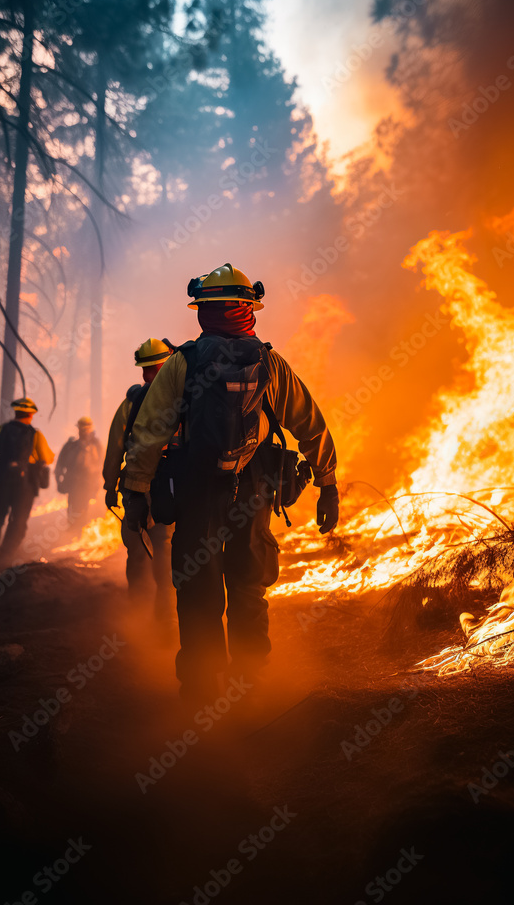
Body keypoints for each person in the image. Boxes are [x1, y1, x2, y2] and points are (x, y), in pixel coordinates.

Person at [124, 264, 338, 701]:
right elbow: (309, 424)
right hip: (254, 486)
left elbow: (148, 436)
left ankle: (202, 686)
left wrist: (135, 497)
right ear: (250, 307)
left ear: (201, 310)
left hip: (195, 488)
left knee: (198, 587)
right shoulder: (270, 362)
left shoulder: (181, 363)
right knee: (247, 581)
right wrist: (327, 483)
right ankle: (250, 680)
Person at [102, 338, 175, 623]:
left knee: (158, 552)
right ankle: (142, 618)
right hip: (144, 491)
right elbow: (114, 450)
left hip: (160, 492)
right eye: (144, 370)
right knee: (143, 551)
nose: (147, 376)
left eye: (153, 368)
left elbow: (114, 449)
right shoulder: (135, 401)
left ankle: (162, 618)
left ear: (168, 365)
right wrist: (109, 487)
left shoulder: (180, 398)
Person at [0, 396, 54, 565]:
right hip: (25, 485)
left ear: (16, 412)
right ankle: (6, 555)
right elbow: (47, 457)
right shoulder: (35, 434)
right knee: (18, 520)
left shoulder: (1, 430)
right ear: (31, 415)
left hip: (1, 480)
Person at [55, 417, 103, 528]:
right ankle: (72, 530)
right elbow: (60, 465)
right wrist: (59, 481)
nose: (84, 432)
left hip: (88, 483)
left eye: (86, 429)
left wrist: (99, 483)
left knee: (84, 508)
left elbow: (101, 464)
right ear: (78, 429)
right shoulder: (71, 445)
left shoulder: (96, 446)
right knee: (73, 507)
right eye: (82, 429)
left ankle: (79, 531)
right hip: (73, 483)